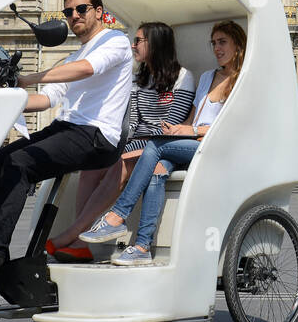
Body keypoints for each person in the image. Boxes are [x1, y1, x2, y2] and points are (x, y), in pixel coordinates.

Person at [0, 0, 134, 307]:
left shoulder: (115, 42)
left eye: (81, 9)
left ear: (98, 11)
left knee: (21, 163)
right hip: (67, 129)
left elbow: (87, 69)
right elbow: (46, 100)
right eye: (68, 12)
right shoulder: (72, 56)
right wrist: (4, 97)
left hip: (98, 136)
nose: (74, 17)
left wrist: (28, 78)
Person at [80, 21, 245, 265]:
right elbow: (194, 114)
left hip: (215, 147)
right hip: (190, 143)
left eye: (223, 42)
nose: (217, 48)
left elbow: (232, 128)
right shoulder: (209, 76)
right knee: (157, 169)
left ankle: (117, 215)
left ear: (237, 45)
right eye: (214, 43)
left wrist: (192, 129)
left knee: (154, 145)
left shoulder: (241, 80)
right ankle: (142, 246)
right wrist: (178, 129)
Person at [46, 21, 196, 262]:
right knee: (92, 166)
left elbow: (171, 125)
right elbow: (133, 120)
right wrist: (120, 146)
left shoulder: (182, 77)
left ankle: (73, 235)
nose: (133, 45)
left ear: (156, 44)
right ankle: (78, 241)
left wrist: (132, 146)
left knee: (120, 165)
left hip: (162, 145)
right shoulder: (138, 79)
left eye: (138, 41)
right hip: (137, 141)